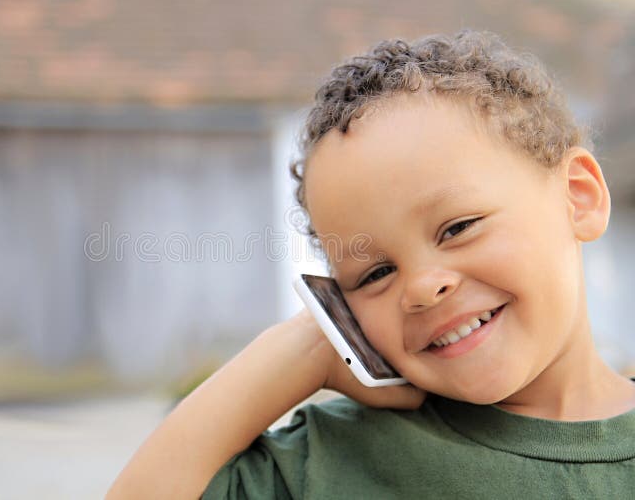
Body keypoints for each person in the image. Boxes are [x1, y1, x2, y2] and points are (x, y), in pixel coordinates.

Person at [107, 29, 635, 499]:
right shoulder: (324, 461)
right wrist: (306, 348)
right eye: (374, 274)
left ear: (577, 197)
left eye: (457, 228)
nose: (424, 288)